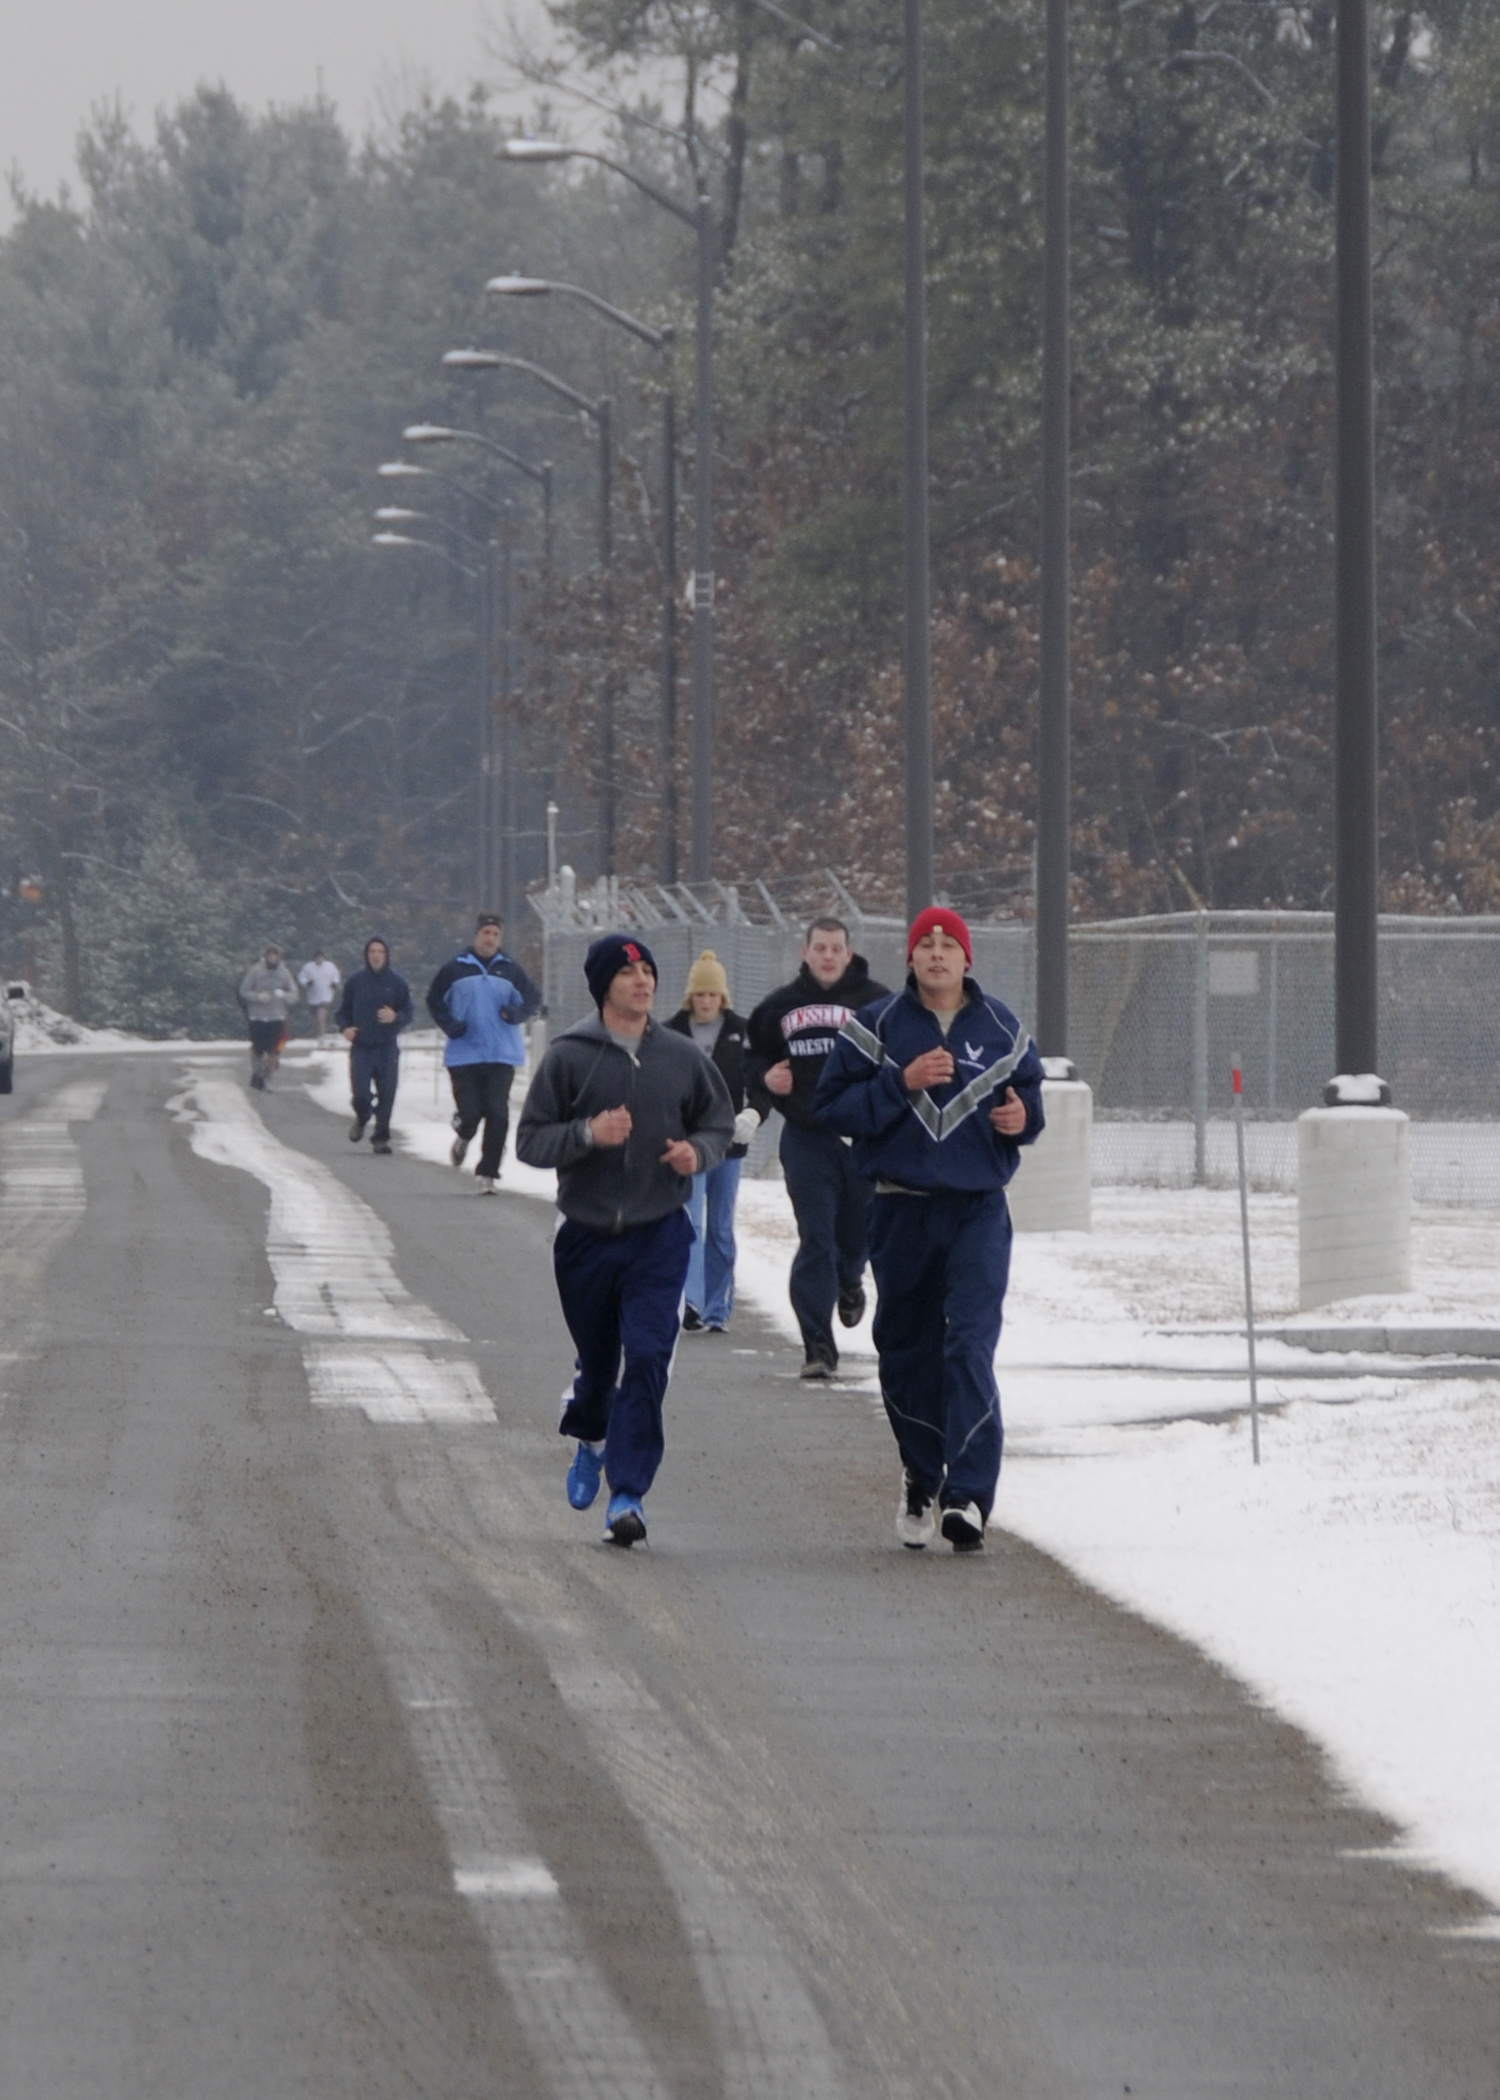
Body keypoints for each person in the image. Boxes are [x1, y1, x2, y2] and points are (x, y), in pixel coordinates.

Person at [814, 907, 1044, 1554]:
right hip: (899, 1209)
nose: (937, 953)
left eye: (949, 944)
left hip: (977, 1211)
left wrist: (1020, 1120)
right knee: (907, 1348)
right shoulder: (877, 1025)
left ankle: (968, 1494)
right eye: (926, 944)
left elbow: (1031, 1112)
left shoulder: (1001, 1028)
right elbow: (829, 1106)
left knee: (969, 1345)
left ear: (968, 959)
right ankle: (921, 1474)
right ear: (910, 958)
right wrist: (899, 1082)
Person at [516, 933, 734, 1547]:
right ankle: (590, 1435)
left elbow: (717, 1124)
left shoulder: (682, 1057)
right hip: (585, 1235)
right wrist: (588, 1133)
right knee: (598, 1365)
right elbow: (530, 1142)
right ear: (603, 984)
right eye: (629, 972)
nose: (643, 981)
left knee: (646, 1357)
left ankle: (629, 1493)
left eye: (649, 972)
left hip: (659, 1232)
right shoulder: (570, 1056)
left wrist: (698, 1152)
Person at [745, 918, 889, 1380]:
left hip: (862, 1139)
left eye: (836, 948)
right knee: (816, 1239)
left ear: (849, 954)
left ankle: (851, 1281)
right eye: (820, 948)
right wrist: (765, 1079)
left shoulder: (879, 1003)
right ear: (805, 952)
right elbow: (753, 1057)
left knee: (857, 1238)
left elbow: (904, 1056)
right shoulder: (779, 1007)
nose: (828, 956)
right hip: (806, 1138)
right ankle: (818, 1348)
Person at [664, 950, 763, 1333]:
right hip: (688, 1143)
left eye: (713, 995)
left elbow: (760, 1080)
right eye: (700, 995)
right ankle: (690, 1301)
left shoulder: (743, 1030)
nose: (706, 1002)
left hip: (729, 1144)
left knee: (720, 1227)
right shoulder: (671, 1031)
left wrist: (752, 1112)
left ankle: (717, 1307)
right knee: (690, 1223)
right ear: (690, 998)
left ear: (723, 998)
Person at [425, 913, 542, 1195]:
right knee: (471, 1113)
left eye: (495, 934)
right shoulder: (456, 968)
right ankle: (464, 1135)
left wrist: (516, 1014)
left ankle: (488, 1173)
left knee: (498, 1113)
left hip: (501, 1054)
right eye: (485, 933)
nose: (490, 939)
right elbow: (433, 1000)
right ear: (476, 936)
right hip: (464, 1054)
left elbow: (532, 999)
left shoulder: (510, 969)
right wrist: (450, 1026)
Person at [334, 937, 413, 1156]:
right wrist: (345, 1028)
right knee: (360, 1094)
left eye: (380, 951)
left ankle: (381, 1138)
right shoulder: (355, 981)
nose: (376, 955)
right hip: (362, 1046)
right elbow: (342, 1012)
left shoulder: (396, 982)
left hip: (387, 1046)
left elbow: (408, 1012)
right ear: (366, 955)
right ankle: (362, 1116)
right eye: (372, 951)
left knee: (387, 1093)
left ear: (386, 955)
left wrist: (395, 1016)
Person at [238, 944, 299, 1091]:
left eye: (275, 955)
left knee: (275, 1050)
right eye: (270, 955)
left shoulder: (284, 973)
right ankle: (257, 1072)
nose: (273, 958)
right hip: (257, 1016)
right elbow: (243, 991)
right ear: (266, 956)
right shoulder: (256, 971)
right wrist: (257, 997)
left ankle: (268, 1078)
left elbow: (295, 995)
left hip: (277, 1016)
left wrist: (284, 995)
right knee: (257, 1049)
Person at [297, 950, 342, 1040]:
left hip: (326, 995)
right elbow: (301, 977)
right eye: (317, 958)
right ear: (314, 959)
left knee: (321, 1014)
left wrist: (334, 983)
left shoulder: (329, 966)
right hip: (313, 996)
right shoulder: (308, 967)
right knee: (315, 1018)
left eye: (321, 958)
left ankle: (322, 1034)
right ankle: (316, 1033)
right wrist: (307, 982)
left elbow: (336, 975)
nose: (319, 960)